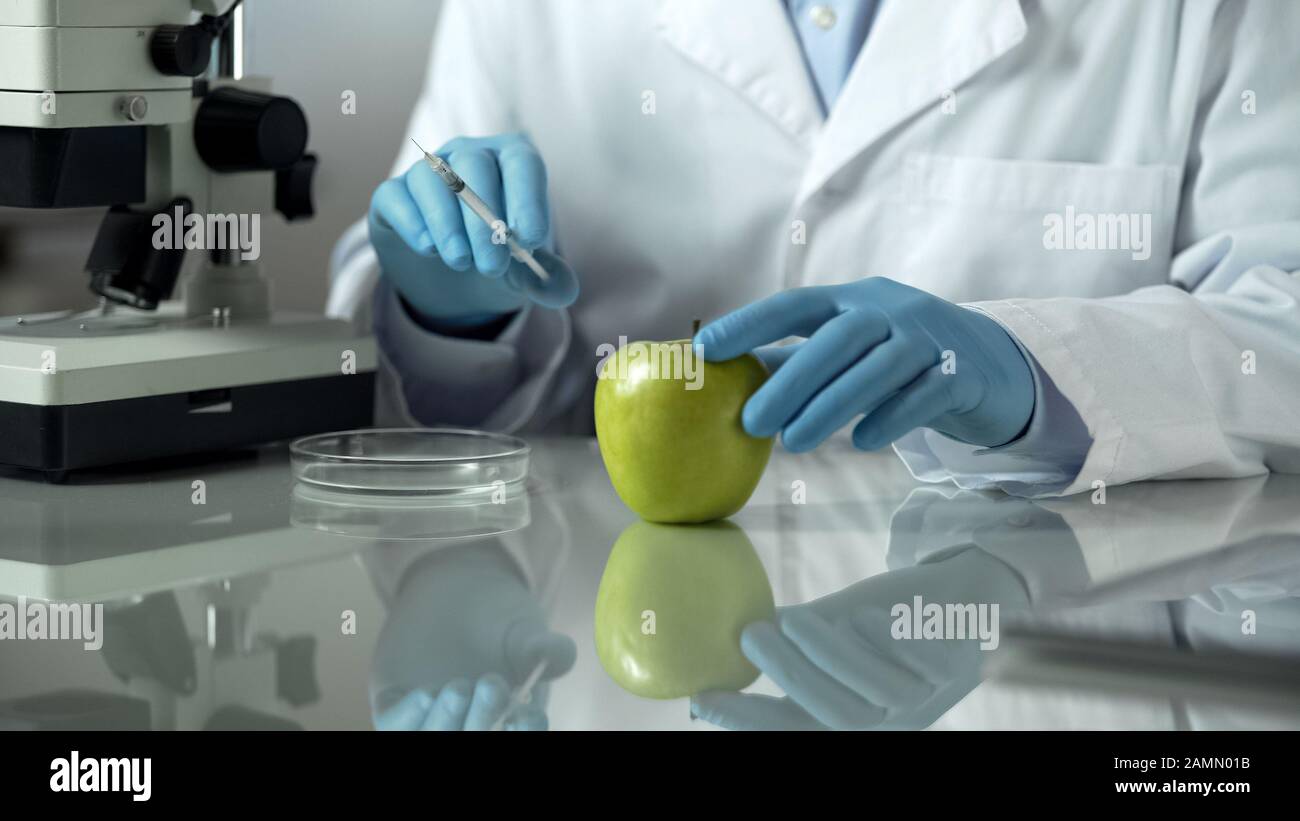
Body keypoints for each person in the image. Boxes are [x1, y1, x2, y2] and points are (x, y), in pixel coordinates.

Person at [328, 0, 1300, 498]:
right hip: (615, 653)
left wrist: (1037, 368)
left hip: (1044, 654)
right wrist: (442, 313)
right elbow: (441, 418)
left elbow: (1281, 327)